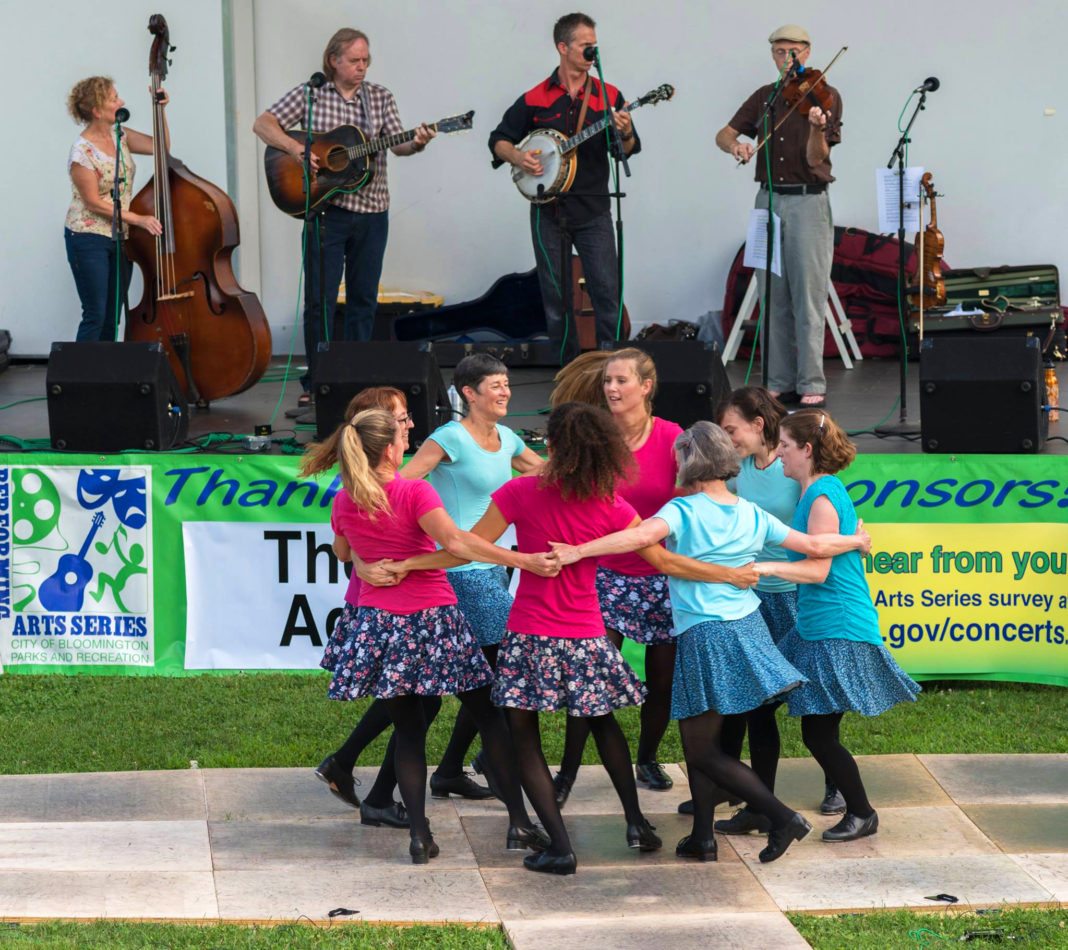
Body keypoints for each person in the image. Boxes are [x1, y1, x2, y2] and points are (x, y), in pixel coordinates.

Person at [386, 403, 707, 874]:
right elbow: (661, 560)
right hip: (586, 635)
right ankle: (635, 822)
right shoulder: (611, 503)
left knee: (525, 740)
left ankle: (559, 845)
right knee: (603, 725)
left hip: (530, 634)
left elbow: (465, 548)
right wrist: (727, 573)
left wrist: (410, 564)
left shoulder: (519, 492)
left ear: (551, 445)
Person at [551, 421, 872, 863]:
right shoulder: (752, 513)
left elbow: (640, 536)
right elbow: (815, 546)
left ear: (691, 461)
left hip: (707, 635)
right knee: (700, 743)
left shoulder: (684, 511)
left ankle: (780, 816)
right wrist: (855, 540)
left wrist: (576, 551)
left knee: (702, 749)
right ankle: (703, 837)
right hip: (747, 629)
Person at [300, 407, 551, 864]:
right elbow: (457, 546)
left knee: (409, 733)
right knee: (488, 715)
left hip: (380, 625)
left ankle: (420, 837)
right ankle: (519, 822)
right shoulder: (414, 491)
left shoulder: (345, 499)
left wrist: (364, 561)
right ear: (393, 448)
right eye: (401, 437)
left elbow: (341, 549)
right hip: (434, 619)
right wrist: (524, 561)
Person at [755, 409, 921, 842]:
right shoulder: (815, 493)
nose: (778, 457)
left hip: (837, 625)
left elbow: (818, 572)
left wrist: (762, 569)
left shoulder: (823, 497)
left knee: (818, 733)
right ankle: (752, 798)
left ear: (806, 450)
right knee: (763, 702)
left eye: (785, 448)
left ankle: (862, 813)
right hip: (815, 625)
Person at [253, 28, 435, 408]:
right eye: (354, 60)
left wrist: (416, 142)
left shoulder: (380, 97)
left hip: (372, 212)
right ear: (333, 60)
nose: (362, 67)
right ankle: (318, 380)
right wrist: (295, 147)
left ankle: (358, 378)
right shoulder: (311, 94)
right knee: (319, 299)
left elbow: (398, 145)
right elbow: (263, 124)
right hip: (326, 212)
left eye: (366, 60)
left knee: (363, 299)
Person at [700, 387, 844, 836]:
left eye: (731, 430)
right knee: (754, 703)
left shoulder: (797, 469)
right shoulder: (736, 470)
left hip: (796, 598)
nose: (728, 439)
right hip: (753, 598)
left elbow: (826, 531)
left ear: (758, 425)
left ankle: (836, 783)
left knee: (816, 695)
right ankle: (751, 795)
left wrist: (855, 541)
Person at [401, 354, 544, 799]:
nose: (505, 392)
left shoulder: (507, 438)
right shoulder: (449, 438)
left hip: (495, 570)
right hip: (466, 575)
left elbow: (545, 473)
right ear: (469, 393)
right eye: (496, 385)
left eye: (507, 385)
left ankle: (448, 770)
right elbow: (404, 482)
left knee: (478, 677)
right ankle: (499, 769)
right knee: (505, 669)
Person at [550, 349, 681, 802]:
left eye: (622, 380)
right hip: (603, 574)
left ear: (646, 386)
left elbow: (688, 508)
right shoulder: (595, 436)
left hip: (662, 576)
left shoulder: (672, 437)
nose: (612, 388)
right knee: (589, 676)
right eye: (608, 380)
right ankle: (565, 773)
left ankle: (647, 757)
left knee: (662, 681)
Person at [313, 386, 438, 829]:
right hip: (385, 601)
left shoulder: (373, 471)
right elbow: (348, 540)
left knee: (411, 702)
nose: (410, 427)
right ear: (381, 435)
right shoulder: (373, 476)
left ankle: (350, 768)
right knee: (410, 703)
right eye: (401, 420)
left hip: (390, 595)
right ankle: (375, 791)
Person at [489, 13, 638, 365]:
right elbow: (498, 140)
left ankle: (611, 374)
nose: (593, 52)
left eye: (594, 45)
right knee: (556, 302)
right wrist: (519, 156)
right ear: (563, 47)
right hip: (547, 212)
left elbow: (626, 151)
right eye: (586, 45)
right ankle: (568, 376)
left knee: (607, 296)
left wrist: (626, 130)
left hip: (595, 210)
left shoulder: (609, 95)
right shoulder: (536, 97)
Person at [715, 25, 842, 409]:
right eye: (780, 51)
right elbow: (723, 133)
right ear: (772, 55)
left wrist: (819, 128)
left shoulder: (827, 95)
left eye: (794, 51)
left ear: (807, 52)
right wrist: (735, 144)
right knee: (772, 294)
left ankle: (810, 381)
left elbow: (818, 158)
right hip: (767, 200)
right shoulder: (765, 97)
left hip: (808, 201)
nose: (787, 58)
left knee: (808, 294)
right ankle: (778, 380)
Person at [65, 77, 165, 342]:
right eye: (114, 99)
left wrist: (160, 109)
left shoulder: (120, 134)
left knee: (113, 315)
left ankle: (104, 378)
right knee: (96, 314)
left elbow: (161, 147)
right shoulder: (82, 153)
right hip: (88, 238)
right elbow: (93, 203)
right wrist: (138, 219)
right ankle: (81, 379)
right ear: (98, 111)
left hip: (120, 237)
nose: (121, 102)